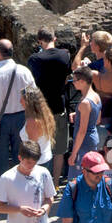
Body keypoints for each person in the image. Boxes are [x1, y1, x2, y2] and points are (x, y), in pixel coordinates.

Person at [0, 39, 36, 193]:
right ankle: (21, 190)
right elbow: (33, 95)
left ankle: (0, 194)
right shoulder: (24, 71)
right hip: (21, 118)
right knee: (22, 156)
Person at [27, 27, 71, 182]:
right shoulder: (65, 55)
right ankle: (56, 183)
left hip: (41, 110)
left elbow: (32, 83)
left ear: (40, 41)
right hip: (59, 107)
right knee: (59, 150)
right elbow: (66, 79)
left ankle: (39, 181)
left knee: (40, 147)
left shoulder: (34, 59)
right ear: (55, 38)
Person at [67, 65, 102, 179]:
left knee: (80, 177)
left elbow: (82, 131)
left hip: (84, 143)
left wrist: (73, 154)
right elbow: (97, 119)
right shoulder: (96, 96)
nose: (73, 83)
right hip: (93, 138)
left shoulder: (85, 103)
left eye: (75, 80)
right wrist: (78, 115)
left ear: (82, 81)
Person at [20, 86, 55, 170]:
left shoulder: (32, 121)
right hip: (45, 158)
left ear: (28, 102)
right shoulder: (45, 114)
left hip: (37, 164)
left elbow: (32, 148)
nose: (20, 101)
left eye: (22, 99)